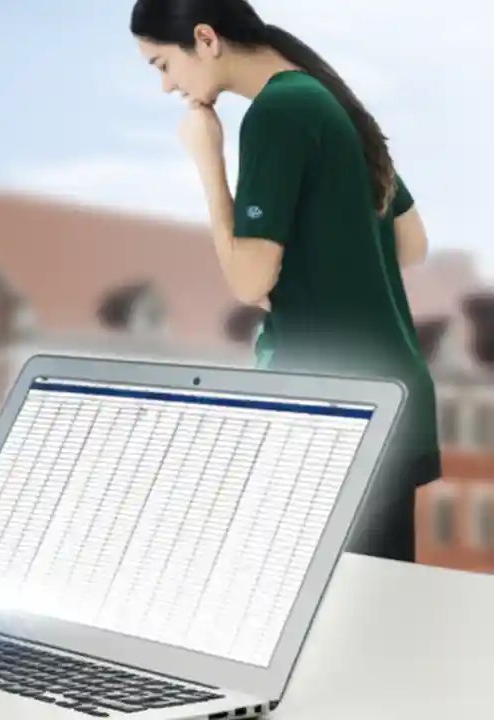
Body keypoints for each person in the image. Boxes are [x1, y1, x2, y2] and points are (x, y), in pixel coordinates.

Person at [130, 0, 440, 562]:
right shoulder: (329, 102)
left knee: (331, 618)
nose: (168, 87)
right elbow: (412, 244)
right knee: (377, 600)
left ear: (205, 39)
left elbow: (249, 281)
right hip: (390, 395)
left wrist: (208, 161)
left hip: (333, 412)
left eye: (162, 65)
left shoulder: (274, 115)